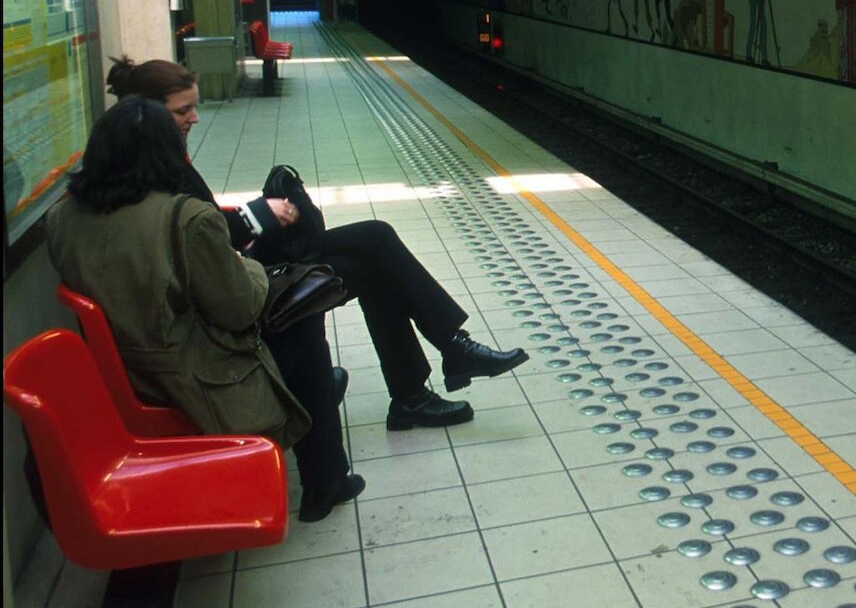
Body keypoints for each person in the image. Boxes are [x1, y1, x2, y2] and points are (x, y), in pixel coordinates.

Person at [105, 57, 528, 431]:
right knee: (375, 256)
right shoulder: (147, 166)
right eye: (183, 110)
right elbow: (198, 233)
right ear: (146, 112)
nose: (194, 118)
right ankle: (432, 373)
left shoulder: (146, 153)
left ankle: (435, 368)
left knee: (375, 245)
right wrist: (257, 215)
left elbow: (198, 226)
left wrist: (255, 219)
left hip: (230, 271)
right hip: (233, 293)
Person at [46, 96, 364, 522]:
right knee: (302, 321)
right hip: (187, 377)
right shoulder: (186, 217)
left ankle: (327, 468)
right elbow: (241, 309)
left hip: (119, 370)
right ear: (167, 154)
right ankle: (325, 480)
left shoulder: (62, 217)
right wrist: (246, 265)